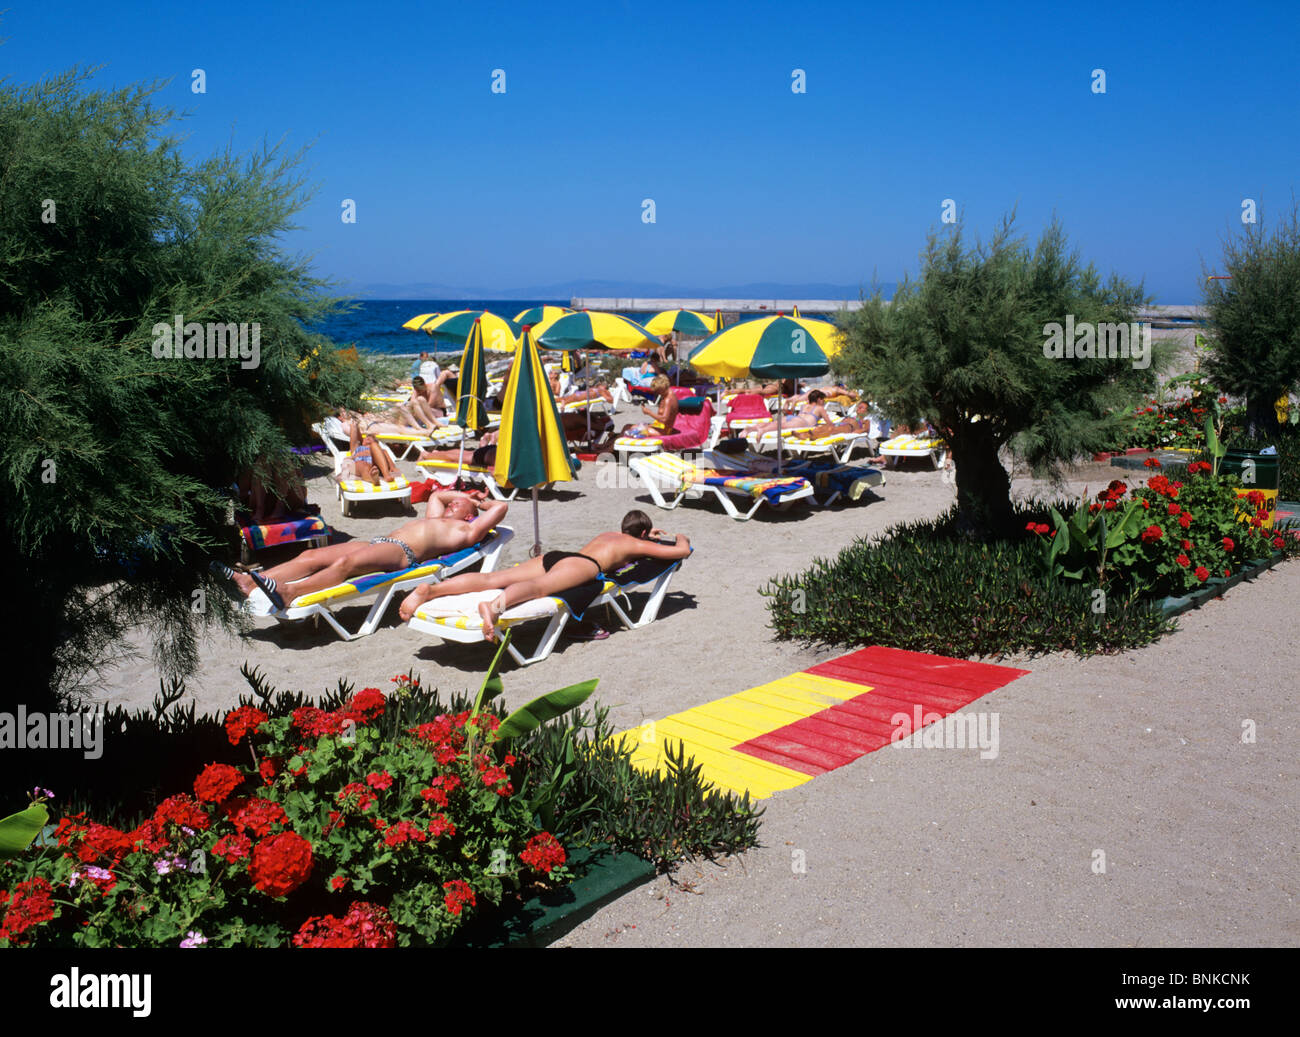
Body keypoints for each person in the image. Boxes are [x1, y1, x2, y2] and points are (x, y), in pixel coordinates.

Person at [398, 509, 690, 639]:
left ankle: (430, 590)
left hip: (558, 556)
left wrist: (645, 535)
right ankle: (495, 607)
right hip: (583, 565)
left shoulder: (610, 535)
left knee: (493, 578)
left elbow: (633, 539)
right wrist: (679, 537)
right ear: (642, 533)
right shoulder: (636, 543)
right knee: (538, 588)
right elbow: (680, 552)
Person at [214, 489, 507, 610]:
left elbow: (501, 506)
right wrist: (464, 495)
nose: (455, 501)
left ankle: (289, 593)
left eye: (461, 504)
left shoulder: (467, 530)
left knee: (345, 564)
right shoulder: (436, 517)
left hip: (402, 553)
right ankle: (250, 581)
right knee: (310, 555)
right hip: (379, 542)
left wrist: (478, 502)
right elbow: (437, 495)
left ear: (471, 516)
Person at [746, 390, 831, 438]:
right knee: (781, 426)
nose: (824, 402)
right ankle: (763, 430)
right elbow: (829, 423)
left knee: (774, 423)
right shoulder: (820, 408)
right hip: (802, 422)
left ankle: (752, 428)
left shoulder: (804, 405)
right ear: (819, 399)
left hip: (792, 417)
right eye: (823, 400)